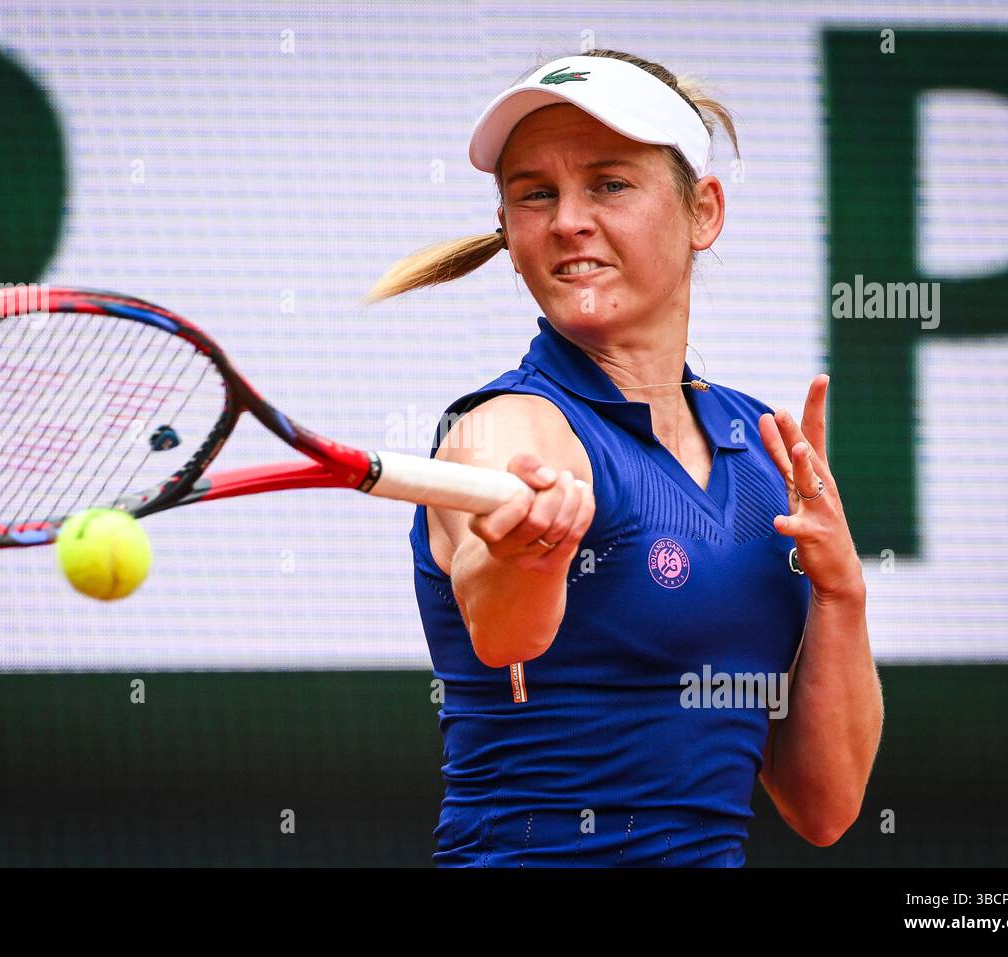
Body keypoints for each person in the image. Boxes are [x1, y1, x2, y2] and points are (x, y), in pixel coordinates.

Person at [364, 49, 882, 866]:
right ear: (509, 232)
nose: (568, 219)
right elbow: (502, 632)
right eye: (535, 193)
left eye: (609, 184)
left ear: (703, 211)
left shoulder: (762, 446)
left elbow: (826, 804)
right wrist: (525, 553)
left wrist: (841, 590)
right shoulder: (501, 430)